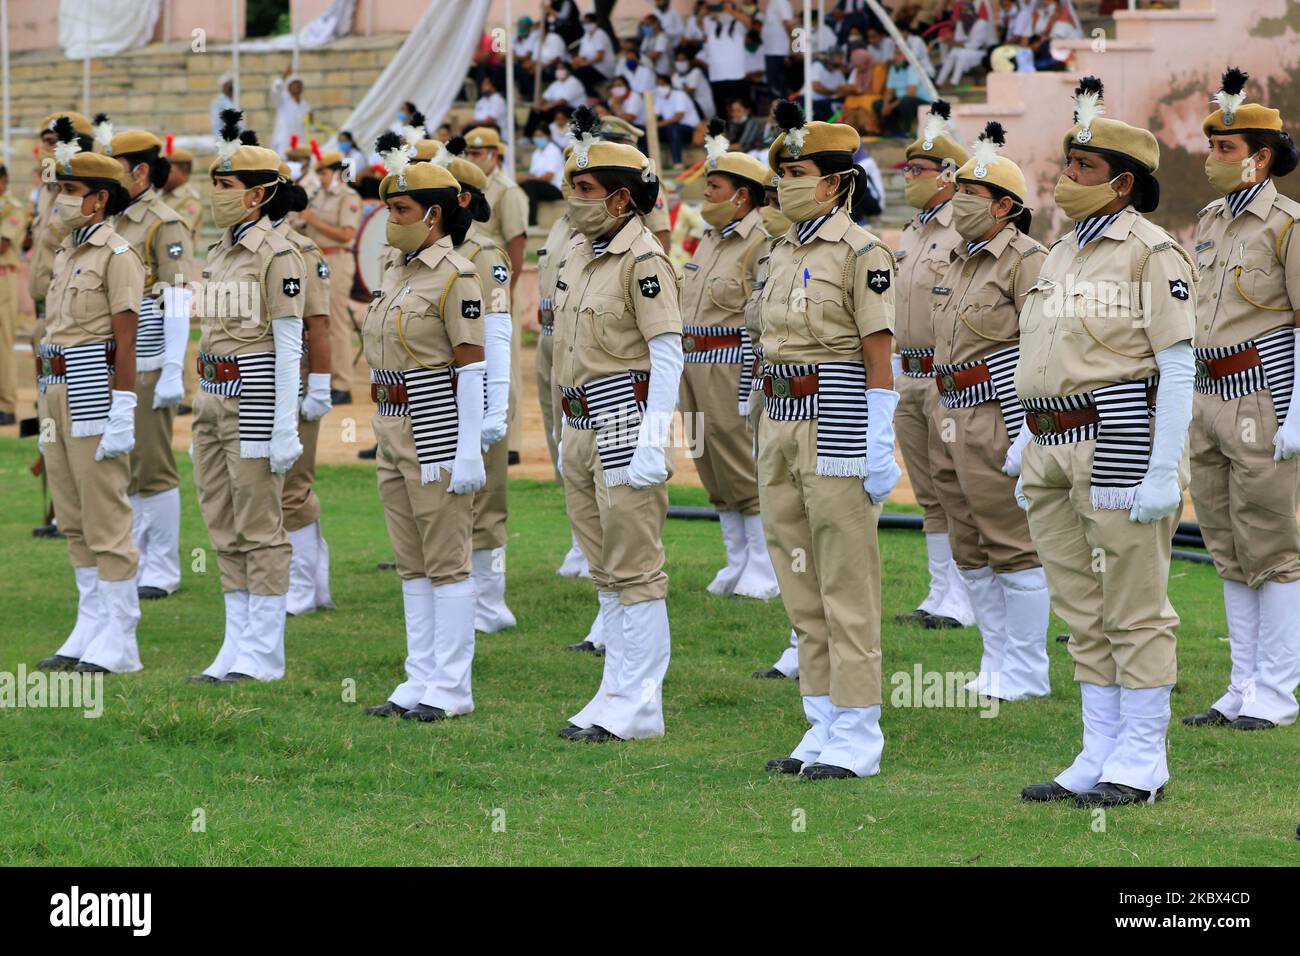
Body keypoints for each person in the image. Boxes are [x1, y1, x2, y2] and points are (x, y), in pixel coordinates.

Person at [1018, 77, 1195, 807]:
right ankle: (1098, 750)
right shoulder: (1058, 254)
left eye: (1084, 169)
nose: (1067, 180)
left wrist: (1164, 468)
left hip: (1118, 436)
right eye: (1067, 167)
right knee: (1079, 607)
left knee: (1135, 605)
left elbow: (1180, 367)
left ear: (1123, 183)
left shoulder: (1152, 254)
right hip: (1048, 443)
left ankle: (1143, 757)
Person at [758, 102, 900, 779]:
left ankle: (859, 729)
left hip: (837, 415)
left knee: (845, 579)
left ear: (837, 181)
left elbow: (879, 350)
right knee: (798, 577)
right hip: (778, 419)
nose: (787, 181)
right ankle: (820, 721)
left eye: (801, 171)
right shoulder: (782, 248)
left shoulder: (862, 253)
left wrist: (879, 440)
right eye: (783, 170)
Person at [552, 106, 683, 742]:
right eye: (572, 188)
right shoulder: (581, 253)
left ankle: (639, 704)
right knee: (602, 565)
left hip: (625, 420)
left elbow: (666, 353)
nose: (573, 201)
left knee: (635, 566)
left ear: (621, 197)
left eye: (585, 190)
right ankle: (612, 692)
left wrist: (654, 440)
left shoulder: (644, 260)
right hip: (580, 423)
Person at [1182, 68, 1300, 732]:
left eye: (1224, 149)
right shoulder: (1208, 223)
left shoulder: (1288, 225)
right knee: (1227, 544)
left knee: (1274, 547)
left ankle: (1278, 693)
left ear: (1260, 156)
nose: (1211, 158)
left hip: (1262, 399)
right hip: (1209, 395)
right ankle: (1243, 685)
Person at [360, 141, 487, 721]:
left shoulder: (457, 276)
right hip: (391, 423)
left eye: (402, 210)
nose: (391, 220)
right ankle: (420, 677)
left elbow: (470, 365)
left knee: (446, 558)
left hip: (435, 423)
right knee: (411, 558)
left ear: (434, 215)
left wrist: (468, 450)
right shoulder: (395, 269)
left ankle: (452, 687)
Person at [929, 121, 1050, 700]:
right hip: (947, 406)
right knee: (966, 542)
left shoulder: (1026, 259)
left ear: (1005, 206)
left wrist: (1028, 430)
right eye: (956, 192)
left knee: (1011, 540)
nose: (958, 203)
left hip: (996, 410)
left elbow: (1040, 344)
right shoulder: (956, 257)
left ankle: (1027, 669)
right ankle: (996, 658)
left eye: (970, 196)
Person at [188, 114, 306, 684]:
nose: (216, 194)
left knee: (259, 523)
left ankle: (264, 651)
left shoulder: (277, 253)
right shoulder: (219, 250)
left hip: (255, 394)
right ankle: (235, 644)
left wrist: (285, 424)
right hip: (212, 393)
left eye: (226, 185)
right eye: (214, 183)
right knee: (221, 519)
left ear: (258, 195)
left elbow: (289, 343)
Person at [33, 118, 145, 674]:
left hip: (93, 390)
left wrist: (123, 409)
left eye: (70, 192)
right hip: (54, 386)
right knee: (72, 516)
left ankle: (121, 638)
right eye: (58, 190)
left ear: (99, 200)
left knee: (105, 514)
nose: (60, 200)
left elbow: (126, 340)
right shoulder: (68, 252)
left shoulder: (118, 255)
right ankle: (90, 623)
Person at [681, 120, 779, 601]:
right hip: (694, 365)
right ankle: (736, 559)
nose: (706, 192)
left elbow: (759, 314)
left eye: (714, 186)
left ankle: (764, 565)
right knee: (709, 461)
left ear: (742, 195)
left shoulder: (759, 240)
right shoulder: (712, 237)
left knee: (741, 461)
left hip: (731, 363)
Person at [892, 100, 974, 629]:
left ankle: (964, 596)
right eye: (907, 169)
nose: (909, 178)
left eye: (919, 170)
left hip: (946, 375)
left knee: (958, 487)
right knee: (927, 492)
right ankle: (938, 591)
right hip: (908, 372)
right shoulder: (910, 233)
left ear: (947, 176)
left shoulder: (960, 230)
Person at [106, 124, 194, 602]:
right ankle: (136, 556)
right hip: (116, 357)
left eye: (116, 170)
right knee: (124, 463)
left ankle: (163, 565)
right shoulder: (116, 219)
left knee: (153, 465)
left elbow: (178, 296)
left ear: (140, 171)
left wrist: (174, 368)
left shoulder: (164, 222)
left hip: (151, 356)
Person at [433, 139, 517, 634]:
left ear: (462, 199)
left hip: (480, 387)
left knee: (487, 500)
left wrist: (494, 406)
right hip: (438, 390)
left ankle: (490, 602)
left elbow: (500, 331)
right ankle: (458, 595)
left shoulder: (485, 253)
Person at [747, 166, 800, 680]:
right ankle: (799, 637)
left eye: (779, 192)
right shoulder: (773, 255)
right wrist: (749, 396)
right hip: (772, 400)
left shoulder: (859, 254)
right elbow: (755, 333)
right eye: (766, 194)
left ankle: (819, 647)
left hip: (823, 410)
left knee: (823, 533)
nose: (772, 202)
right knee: (784, 528)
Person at [534, 149, 596, 590]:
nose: (571, 186)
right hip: (550, 337)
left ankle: (595, 543)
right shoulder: (561, 224)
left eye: (581, 181)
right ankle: (579, 535)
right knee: (560, 434)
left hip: (587, 342)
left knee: (591, 442)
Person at [276, 165, 335, 617]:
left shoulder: (302, 249)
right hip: (251, 383)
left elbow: (318, 323)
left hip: (292, 380)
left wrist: (318, 387)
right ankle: (312, 583)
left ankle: (304, 585)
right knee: (263, 488)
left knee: (292, 486)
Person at [463, 127, 529, 464]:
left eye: (479, 153)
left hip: (497, 283)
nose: (473, 158)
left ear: (495, 154)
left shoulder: (507, 191)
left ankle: (510, 438)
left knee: (507, 366)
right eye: (470, 153)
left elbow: (516, 241)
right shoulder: (470, 187)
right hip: (468, 286)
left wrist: (511, 288)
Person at [296, 146, 361, 408]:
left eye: (324, 172)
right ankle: (322, 378)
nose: (321, 177)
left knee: (336, 323)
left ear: (336, 173)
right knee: (316, 323)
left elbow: (347, 234)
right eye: (319, 172)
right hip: (316, 259)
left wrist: (314, 220)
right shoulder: (318, 195)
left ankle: (342, 384)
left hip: (337, 259)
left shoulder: (348, 196)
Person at [0, 164, 28, 426]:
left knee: (3, 341)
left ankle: (6, 405)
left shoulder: (13, 208)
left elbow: (3, 244)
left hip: (3, 277)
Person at [701, 2, 752, 120]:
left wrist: (732, 11)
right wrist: (702, 13)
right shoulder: (711, 23)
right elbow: (700, 24)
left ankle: (743, 134)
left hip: (737, 74)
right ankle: (724, 134)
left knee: (740, 107)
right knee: (721, 109)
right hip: (717, 75)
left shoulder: (738, 24)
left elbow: (748, 22)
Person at [875, 45, 935, 138]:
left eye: (899, 54)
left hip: (922, 102)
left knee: (906, 101)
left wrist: (891, 106)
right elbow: (889, 91)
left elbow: (911, 92)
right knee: (878, 104)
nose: (896, 57)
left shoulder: (914, 67)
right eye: (896, 54)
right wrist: (886, 105)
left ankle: (908, 131)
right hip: (902, 101)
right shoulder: (894, 68)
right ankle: (894, 132)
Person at [161, 143, 204, 245]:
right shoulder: (160, 193)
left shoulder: (190, 201)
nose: (162, 174)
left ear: (184, 172)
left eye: (168, 171)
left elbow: (175, 233)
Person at [654, 76, 701, 168]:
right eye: (658, 85)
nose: (660, 87)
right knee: (649, 131)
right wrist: (652, 125)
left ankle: (677, 162)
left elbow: (678, 116)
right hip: (671, 130)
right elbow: (653, 116)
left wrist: (657, 124)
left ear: (670, 85)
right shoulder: (659, 98)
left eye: (662, 84)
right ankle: (649, 163)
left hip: (689, 130)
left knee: (673, 127)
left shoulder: (680, 94)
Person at [519, 130, 565, 225]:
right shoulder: (536, 153)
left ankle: (532, 221)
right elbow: (532, 175)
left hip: (556, 188)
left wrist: (527, 178)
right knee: (522, 185)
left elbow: (548, 177)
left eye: (540, 136)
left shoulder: (553, 151)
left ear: (547, 136)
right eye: (536, 136)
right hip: (540, 187)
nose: (537, 139)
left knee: (529, 184)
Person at [271, 66, 313, 157]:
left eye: (298, 84)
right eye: (294, 84)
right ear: (289, 87)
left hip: (299, 143)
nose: (297, 86)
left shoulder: (306, 106)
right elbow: (275, 91)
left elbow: (310, 126)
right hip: (284, 141)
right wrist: (284, 76)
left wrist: (311, 118)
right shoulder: (282, 101)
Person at [574, 12, 617, 93]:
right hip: (592, 66)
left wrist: (584, 64)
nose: (586, 25)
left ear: (595, 22)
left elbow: (600, 57)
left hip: (603, 68)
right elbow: (582, 55)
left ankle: (593, 96)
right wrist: (577, 61)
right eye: (584, 23)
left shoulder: (600, 34)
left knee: (580, 74)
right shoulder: (586, 36)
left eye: (588, 22)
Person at [760, 0, 795, 98]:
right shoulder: (773, 2)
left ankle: (782, 110)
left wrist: (794, 44)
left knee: (778, 87)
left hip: (778, 51)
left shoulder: (781, 2)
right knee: (774, 85)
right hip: (772, 50)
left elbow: (788, 23)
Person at [209, 74, 238, 139]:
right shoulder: (217, 103)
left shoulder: (235, 101)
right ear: (224, 86)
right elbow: (216, 124)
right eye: (229, 84)